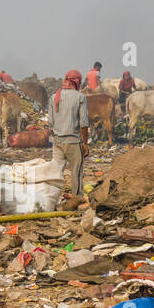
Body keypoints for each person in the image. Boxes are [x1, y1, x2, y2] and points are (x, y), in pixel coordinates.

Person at [49, 70, 89, 206]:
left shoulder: (54, 96)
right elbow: (83, 123)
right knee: (76, 173)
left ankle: (51, 201)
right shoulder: (80, 97)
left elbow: (51, 122)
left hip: (58, 141)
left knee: (56, 173)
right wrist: (85, 144)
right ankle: (76, 200)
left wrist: (57, 136)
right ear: (77, 81)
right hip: (73, 141)